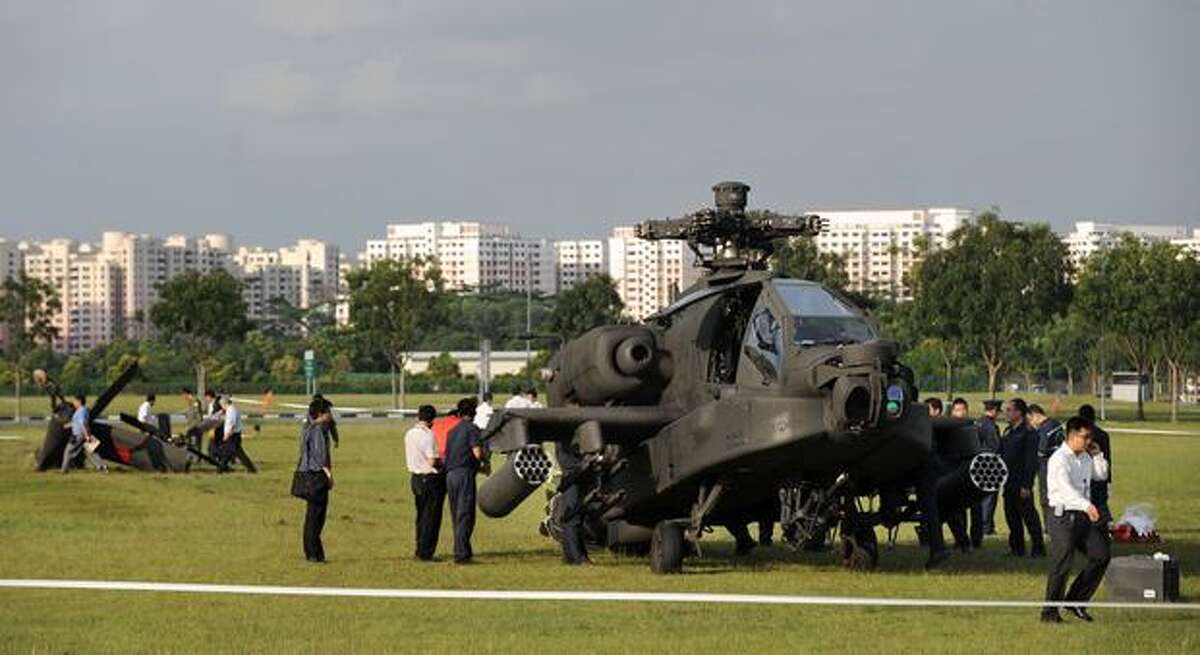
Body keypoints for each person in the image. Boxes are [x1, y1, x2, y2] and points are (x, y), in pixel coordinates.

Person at [1041, 416, 1110, 623]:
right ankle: (1049, 612)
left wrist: (1097, 455)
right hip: (1062, 517)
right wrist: (1087, 506)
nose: (1089, 440)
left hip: (1082, 516)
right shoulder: (1059, 459)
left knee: (1101, 555)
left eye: (1090, 437)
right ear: (1072, 435)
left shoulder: (1086, 457)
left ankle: (1075, 600)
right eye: (1085, 436)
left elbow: (1100, 475)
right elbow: (1066, 490)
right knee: (1062, 564)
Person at [1001, 398, 1045, 557]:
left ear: (1019, 412)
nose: (1006, 413)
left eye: (1009, 410)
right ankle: (1016, 548)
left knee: (1029, 516)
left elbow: (1030, 461)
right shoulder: (1008, 431)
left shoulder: (1028, 433)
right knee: (1011, 515)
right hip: (1008, 481)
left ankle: (1038, 547)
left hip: (1021, 482)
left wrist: (1026, 485)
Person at [443, 397, 485, 563]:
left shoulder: (451, 432)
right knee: (465, 514)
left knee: (456, 515)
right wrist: (483, 462)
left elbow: (450, 455)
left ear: (459, 413)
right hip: (464, 475)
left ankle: (461, 550)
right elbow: (476, 453)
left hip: (450, 475)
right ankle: (462, 555)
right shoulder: (472, 428)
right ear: (473, 413)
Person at [297, 398, 334, 563]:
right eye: (328, 411)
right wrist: (329, 474)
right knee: (317, 517)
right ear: (321, 413)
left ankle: (312, 552)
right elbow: (320, 456)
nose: (331, 415)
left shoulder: (307, 427)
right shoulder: (318, 430)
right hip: (316, 475)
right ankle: (314, 554)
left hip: (306, 474)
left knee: (311, 516)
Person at [406, 405, 444, 561]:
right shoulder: (428, 435)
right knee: (432, 517)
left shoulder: (409, 433)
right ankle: (426, 552)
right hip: (429, 478)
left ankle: (419, 547)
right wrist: (442, 465)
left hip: (415, 477)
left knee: (421, 516)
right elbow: (431, 460)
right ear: (432, 420)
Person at [1029, 404, 1065, 521]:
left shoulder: (1045, 429)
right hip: (1061, 466)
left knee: (1046, 498)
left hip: (1047, 467)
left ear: (1035, 415)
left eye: (1030, 420)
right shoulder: (1056, 424)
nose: (1031, 424)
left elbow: (1041, 451)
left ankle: (1049, 526)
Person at [1078, 404, 1112, 522]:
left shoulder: (1079, 435)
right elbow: (1107, 457)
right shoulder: (1103, 435)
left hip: (1084, 476)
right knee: (1100, 505)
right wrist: (1108, 480)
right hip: (1100, 474)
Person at [62, 394, 108, 473]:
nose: (73, 403)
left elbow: (83, 423)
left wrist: (87, 436)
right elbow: (77, 422)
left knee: (68, 451)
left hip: (79, 435)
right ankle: (102, 467)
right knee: (91, 451)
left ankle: (64, 470)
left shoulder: (81, 410)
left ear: (79, 401)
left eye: (75, 401)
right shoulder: (83, 410)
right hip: (84, 434)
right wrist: (68, 425)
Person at [978, 399, 1003, 536]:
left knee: (982, 497)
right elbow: (996, 446)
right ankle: (986, 527)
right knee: (989, 498)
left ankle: (986, 525)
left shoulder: (978, 422)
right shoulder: (990, 426)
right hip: (990, 464)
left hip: (979, 463)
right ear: (994, 410)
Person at [218, 396, 258, 473]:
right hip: (233, 435)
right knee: (227, 453)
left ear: (225, 403)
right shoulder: (231, 409)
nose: (222, 407)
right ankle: (221, 468)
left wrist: (227, 435)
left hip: (233, 435)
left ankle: (251, 469)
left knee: (239, 453)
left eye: (222, 405)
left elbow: (232, 424)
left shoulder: (231, 411)